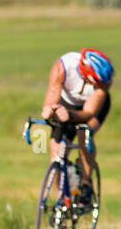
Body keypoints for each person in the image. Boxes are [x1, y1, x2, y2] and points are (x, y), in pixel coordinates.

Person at [40, 47, 113, 204]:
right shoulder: (63, 67)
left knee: (84, 133)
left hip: (92, 108)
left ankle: (86, 183)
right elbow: (50, 102)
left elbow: (88, 113)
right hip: (66, 102)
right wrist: (50, 111)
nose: (98, 85)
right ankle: (62, 197)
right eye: (96, 83)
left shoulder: (104, 82)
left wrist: (70, 116)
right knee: (56, 148)